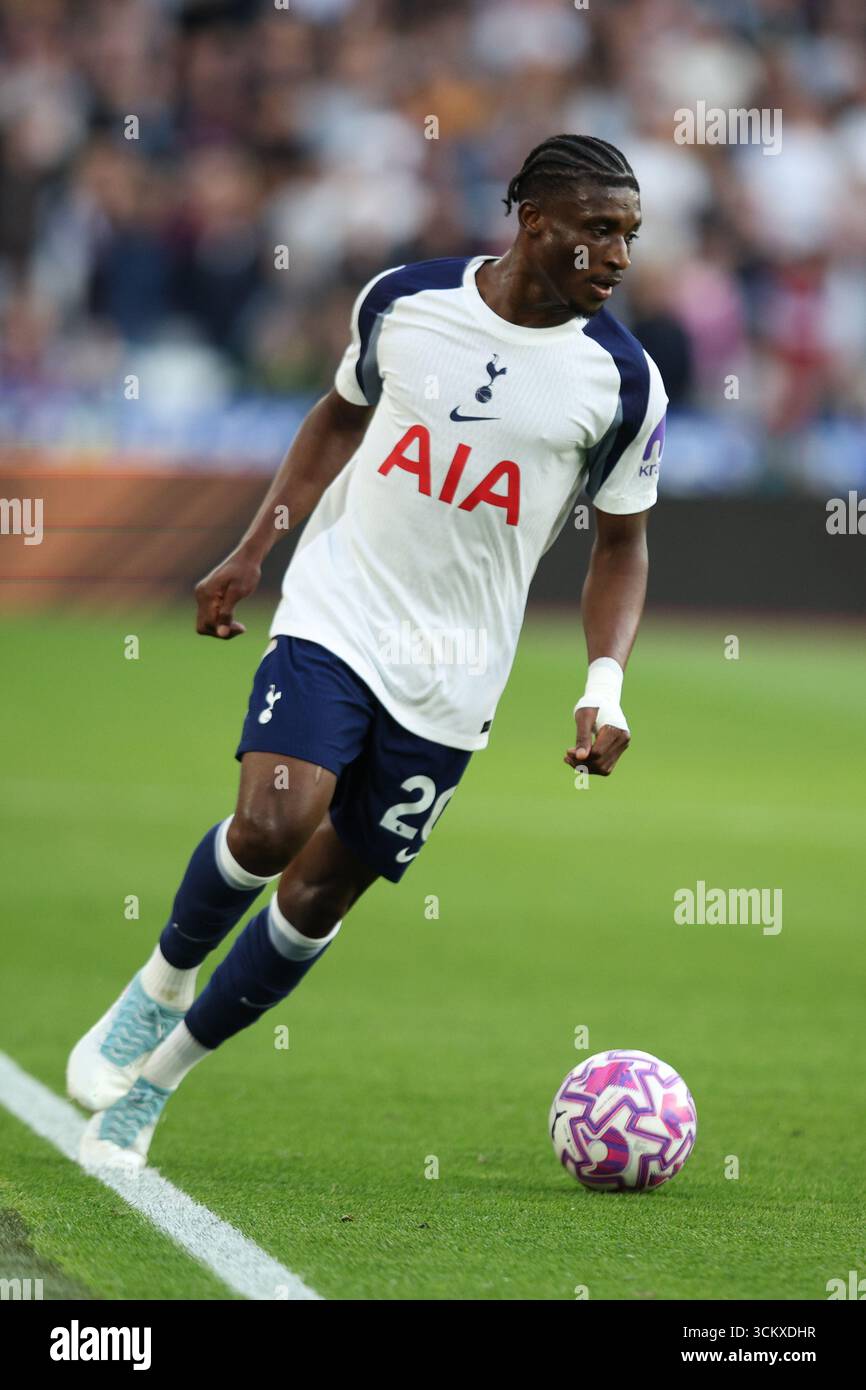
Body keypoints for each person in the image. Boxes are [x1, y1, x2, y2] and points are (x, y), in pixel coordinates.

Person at [68, 134, 668, 1169]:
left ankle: (155, 1082)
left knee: (316, 896)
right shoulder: (405, 299)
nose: (618, 256)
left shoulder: (621, 382)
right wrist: (255, 545)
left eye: (629, 236)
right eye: (600, 231)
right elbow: (335, 419)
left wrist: (602, 688)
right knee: (271, 824)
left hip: (455, 672)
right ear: (534, 221)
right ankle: (158, 980)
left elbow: (621, 544)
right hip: (338, 609)